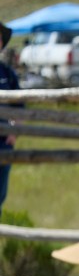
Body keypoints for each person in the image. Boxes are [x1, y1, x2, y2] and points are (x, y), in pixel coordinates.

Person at [0, 21, 21, 218]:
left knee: (0, 194)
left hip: (4, 143)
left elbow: (20, 106)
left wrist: (14, 132)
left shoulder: (7, 73)